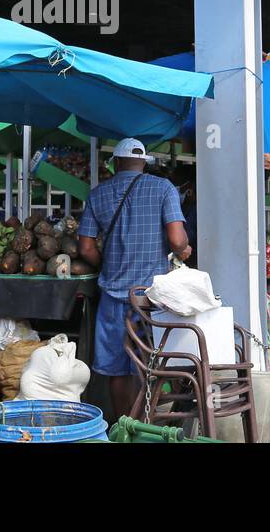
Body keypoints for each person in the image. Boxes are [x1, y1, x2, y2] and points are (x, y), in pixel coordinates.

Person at [77, 137, 192, 420]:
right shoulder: (164, 188)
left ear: (116, 162)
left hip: (112, 297)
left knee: (117, 369)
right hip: (150, 299)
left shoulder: (98, 194)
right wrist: (184, 249)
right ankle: (145, 426)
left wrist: (109, 265)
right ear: (144, 163)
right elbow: (177, 240)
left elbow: (85, 248)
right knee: (147, 364)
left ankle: (122, 426)